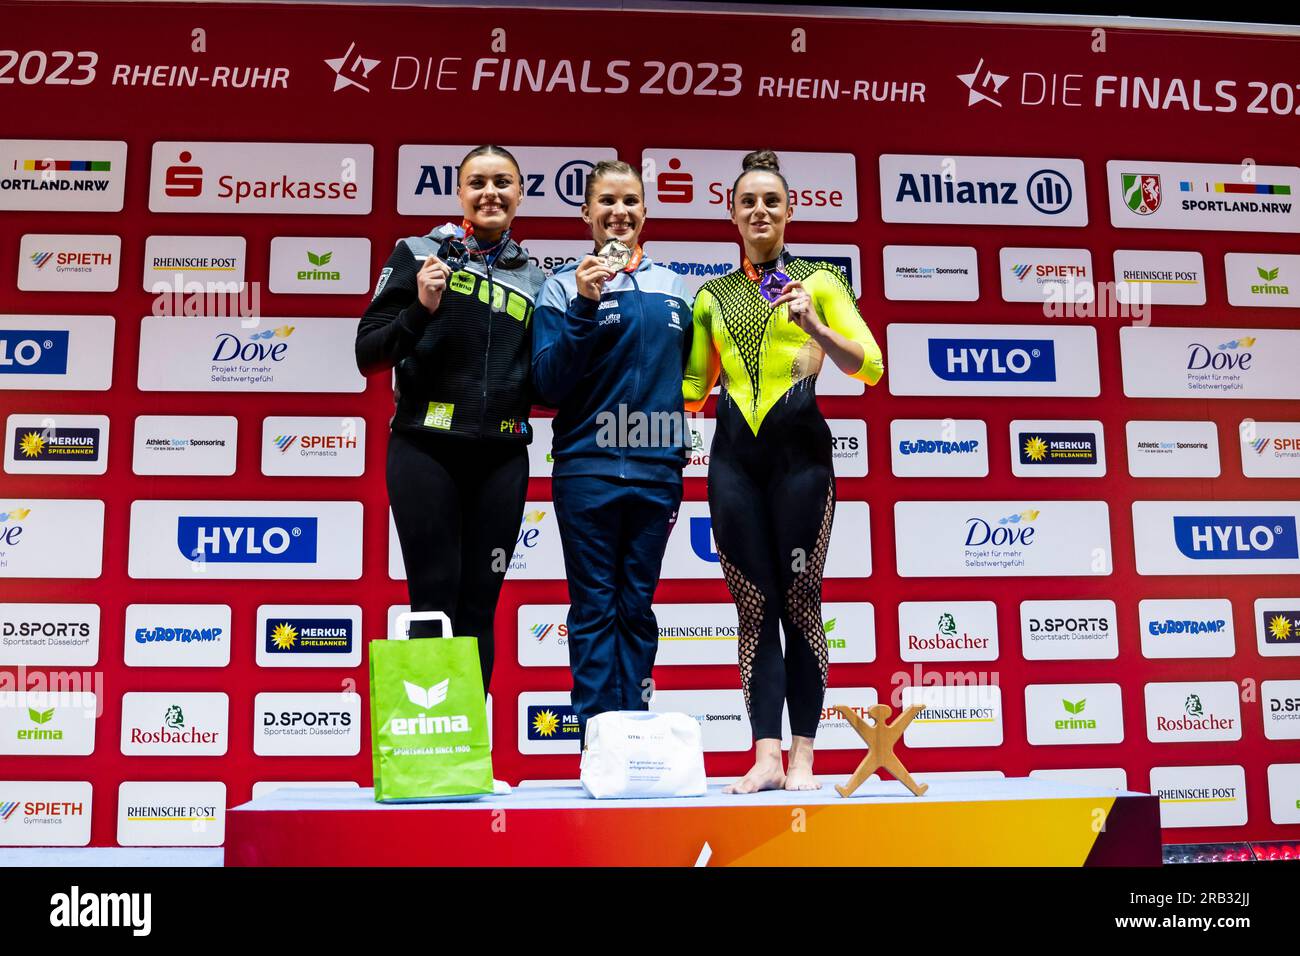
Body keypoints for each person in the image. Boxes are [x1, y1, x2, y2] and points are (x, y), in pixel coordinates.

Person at [683, 149, 885, 793]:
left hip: (802, 461)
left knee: (800, 601)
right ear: (733, 214)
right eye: (749, 201)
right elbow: (692, 386)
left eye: (772, 200)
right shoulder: (711, 297)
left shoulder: (820, 280)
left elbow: (870, 365)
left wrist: (816, 327)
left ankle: (803, 752)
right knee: (752, 607)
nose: (760, 210)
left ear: (790, 210)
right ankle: (765, 754)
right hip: (734, 464)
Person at [355, 145, 545, 695]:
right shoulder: (419, 253)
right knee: (433, 597)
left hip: (500, 456)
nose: (491, 193)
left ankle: (468, 750)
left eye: (503, 183)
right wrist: (420, 308)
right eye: (478, 182)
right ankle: (430, 755)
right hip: (424, 449)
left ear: (518, 194)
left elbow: (544, 372)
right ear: (460, 192)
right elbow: (369, 354)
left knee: (481, 604)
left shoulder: (534, 277)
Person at [532, 159, 694, 745]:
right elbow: (547, 384)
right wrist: (582, 302)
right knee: (594, 610)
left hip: (656, 470)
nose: (618, 213)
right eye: (606, 202)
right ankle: (599, 746)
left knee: (637, 610)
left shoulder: (677, 286)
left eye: (630, 201)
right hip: (587, 469)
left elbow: (691, 379)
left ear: (645, 212)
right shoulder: (560, 285)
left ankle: (640, 745)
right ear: (586, 213)